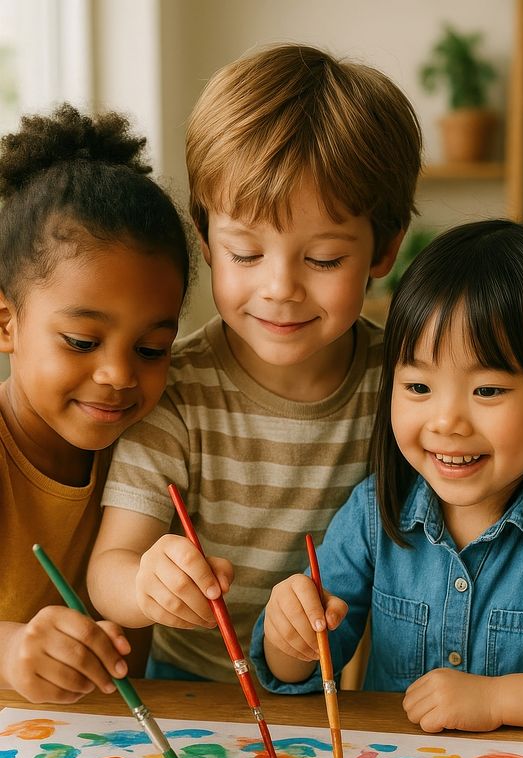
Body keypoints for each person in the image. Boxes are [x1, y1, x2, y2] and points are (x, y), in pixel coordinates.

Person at [88, 43, 423, 683]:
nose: (280, 287)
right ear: (206, 239)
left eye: (323, 259)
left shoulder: (406, 386)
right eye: (245, 253)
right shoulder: (176, 392)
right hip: (194, 700)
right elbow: (111, 568)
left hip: (335, 706)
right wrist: (146, 583)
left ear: (383, 250)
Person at [251, 220, 523, 732]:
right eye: (418, 386)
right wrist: (291, 638)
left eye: (487, 391)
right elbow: (294, 675)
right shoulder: (377, 513)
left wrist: (497, 701)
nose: (446, 422)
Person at [0, 103, 190, 704]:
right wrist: (10, 652)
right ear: (6, 322)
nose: (117, 375)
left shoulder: (156, 444)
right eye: (82, 342)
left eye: (153, 348)